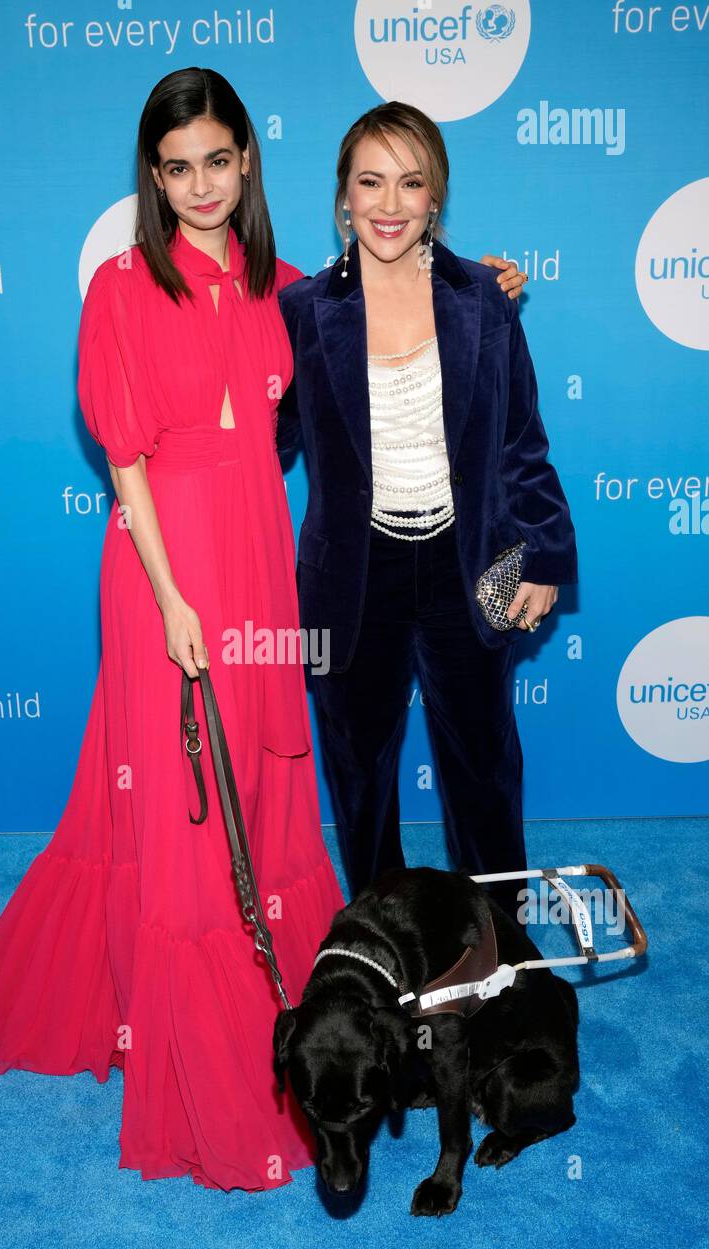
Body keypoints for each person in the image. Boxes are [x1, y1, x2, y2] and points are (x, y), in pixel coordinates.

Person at [0, 71, 527, 1193]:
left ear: (247, 162)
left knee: (260, 782)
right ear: (151, 178)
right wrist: (169, 602)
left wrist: (482, 283)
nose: (199, 185)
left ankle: (285, 996)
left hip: (262, 565)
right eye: (176, 166)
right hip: (168, 572)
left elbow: (389, 303)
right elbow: (124, 462)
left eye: (218, 160)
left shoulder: (290, 291)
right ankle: (168, 1041)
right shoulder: (117, 287)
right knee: (169, 794)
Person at [276, 101, 577, 928]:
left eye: (411, 182)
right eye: (370, 181)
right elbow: (268, 437)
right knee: (358, 773)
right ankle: (385, 948)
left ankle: (503, 947)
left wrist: (545, 555)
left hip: (471, 563)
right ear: (342, 197)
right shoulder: (302, 312)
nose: (389, 203)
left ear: (435, 196)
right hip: (351, 580)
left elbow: (522, 441)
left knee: (483, 764)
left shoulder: (483, 295)